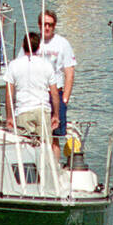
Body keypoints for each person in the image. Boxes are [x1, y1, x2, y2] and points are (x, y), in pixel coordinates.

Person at [3, 32, 59, 141]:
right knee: (45, 148)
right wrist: (56, 115)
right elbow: (55, 93)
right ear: (38, 47)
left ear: (23, 46)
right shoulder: (47, 65)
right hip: (43, 110)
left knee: (26, 150)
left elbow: (9, 94)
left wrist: (9, 116)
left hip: (23, 111)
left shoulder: (13, 65)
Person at [37, 10, 76, 140]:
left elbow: (69, 74)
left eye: (50, 24)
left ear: (54, 26)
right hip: (36, 95)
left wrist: (64, 99)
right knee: (36, 136)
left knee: (55, 138)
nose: (47, 27)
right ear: (39, 25)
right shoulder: (33, 42)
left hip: (55, 95)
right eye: (44, 24)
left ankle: (55, 161)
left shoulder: (63, 43)